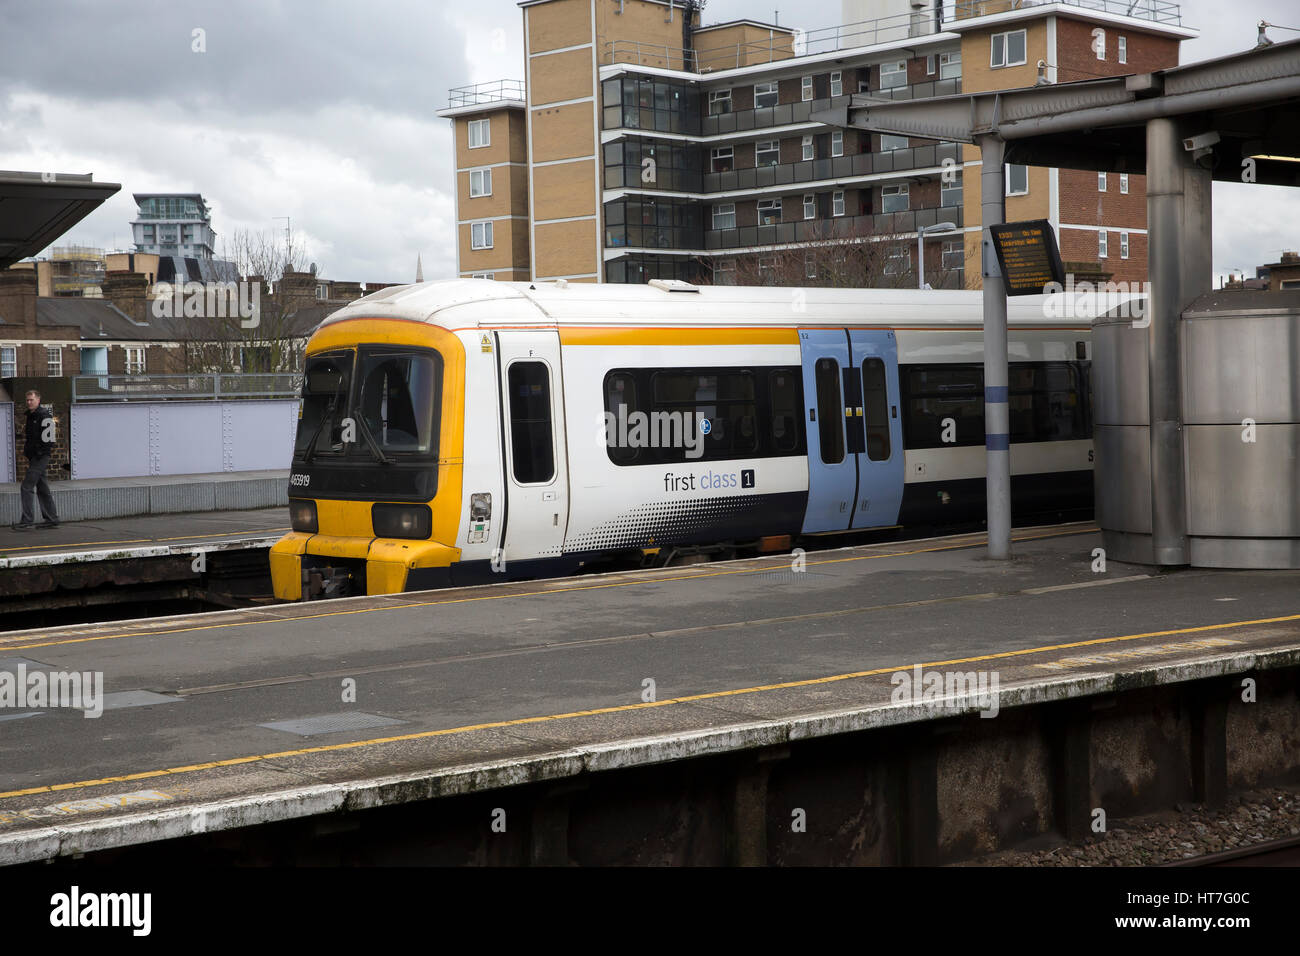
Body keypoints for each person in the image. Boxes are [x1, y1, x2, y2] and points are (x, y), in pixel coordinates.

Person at [12, 389, 60, 530]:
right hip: (35, 457)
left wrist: (39, 454)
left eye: (31, 400)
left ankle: (27, 521)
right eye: (27, 400)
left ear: (38, 400)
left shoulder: (44, 416)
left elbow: (49, 440)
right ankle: (52, 518)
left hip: (40, 457)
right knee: (42, 487)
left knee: (26, 487)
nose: (29, 402)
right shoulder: (31, 416)